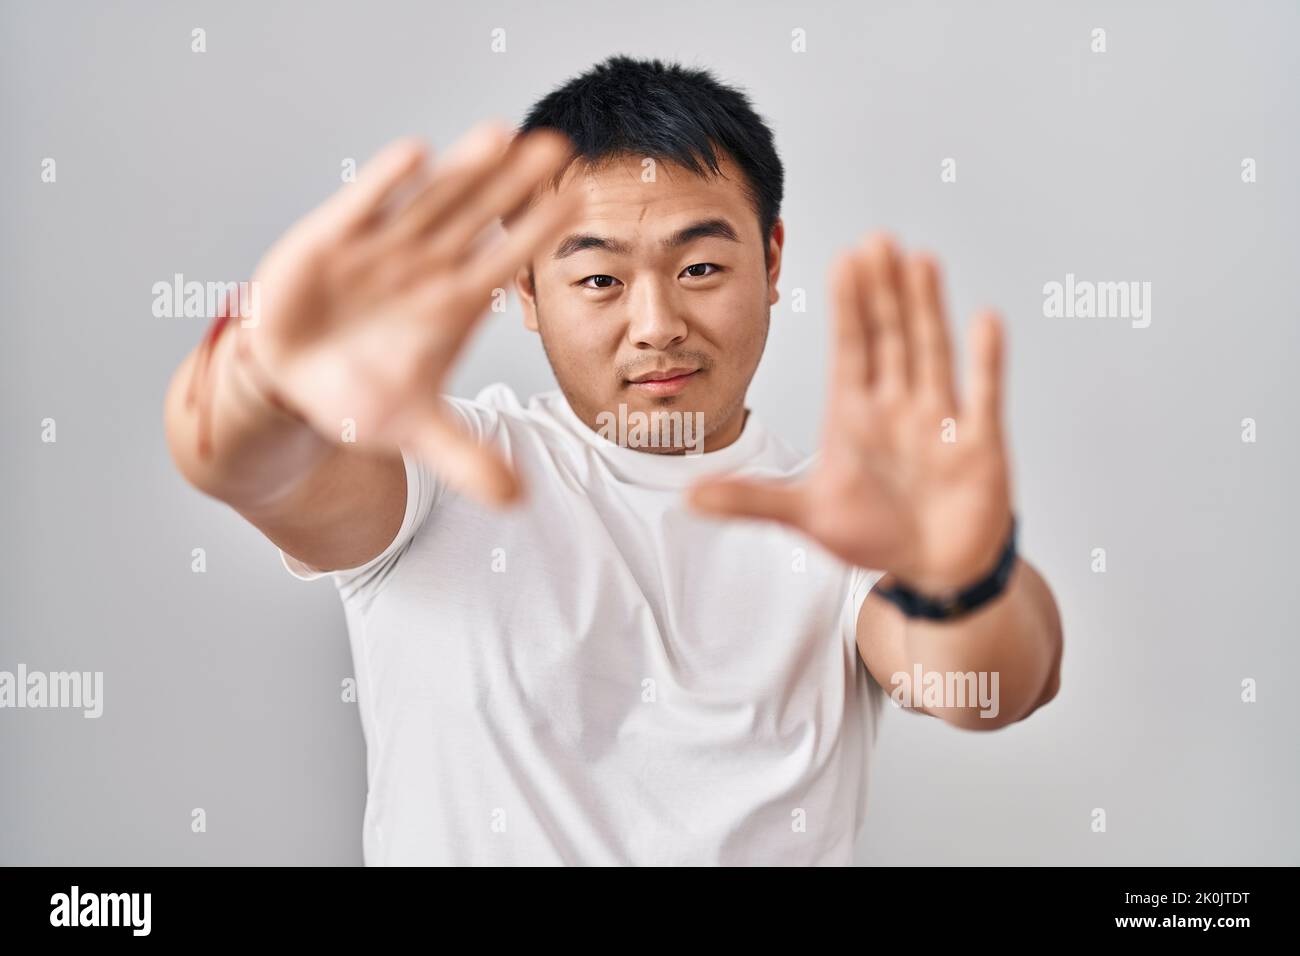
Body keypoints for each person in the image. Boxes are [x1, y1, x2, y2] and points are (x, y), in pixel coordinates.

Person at [164, 55, 1063, 865]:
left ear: (772, 258)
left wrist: (964, 572)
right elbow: (252, 466)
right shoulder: (445, 474)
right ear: (524, 290)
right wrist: (264, 376)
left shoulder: (842, 513)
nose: (656, 323)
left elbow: (992, 691)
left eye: (701, 268)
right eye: (598, 279)